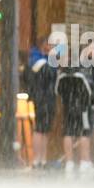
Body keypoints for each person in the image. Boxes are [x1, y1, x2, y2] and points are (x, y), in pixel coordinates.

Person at [55, 37, 94, 177]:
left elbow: (57, 90)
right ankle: (84, 162)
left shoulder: (62, 74)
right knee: (84, 132)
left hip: (68, 107)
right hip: (83, 107)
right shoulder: (81, 72)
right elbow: (89, 90)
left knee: (68, 132)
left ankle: (69, 163)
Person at [25, 33, 60, 171]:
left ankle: (43, 159)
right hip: (41, 98)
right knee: (39, 128)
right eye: (50, 44)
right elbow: (46, 75)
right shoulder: (36, 60)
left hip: (49, 97)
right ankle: (36, 159)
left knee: (45, 129)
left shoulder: (47, 60)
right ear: (44, 45)